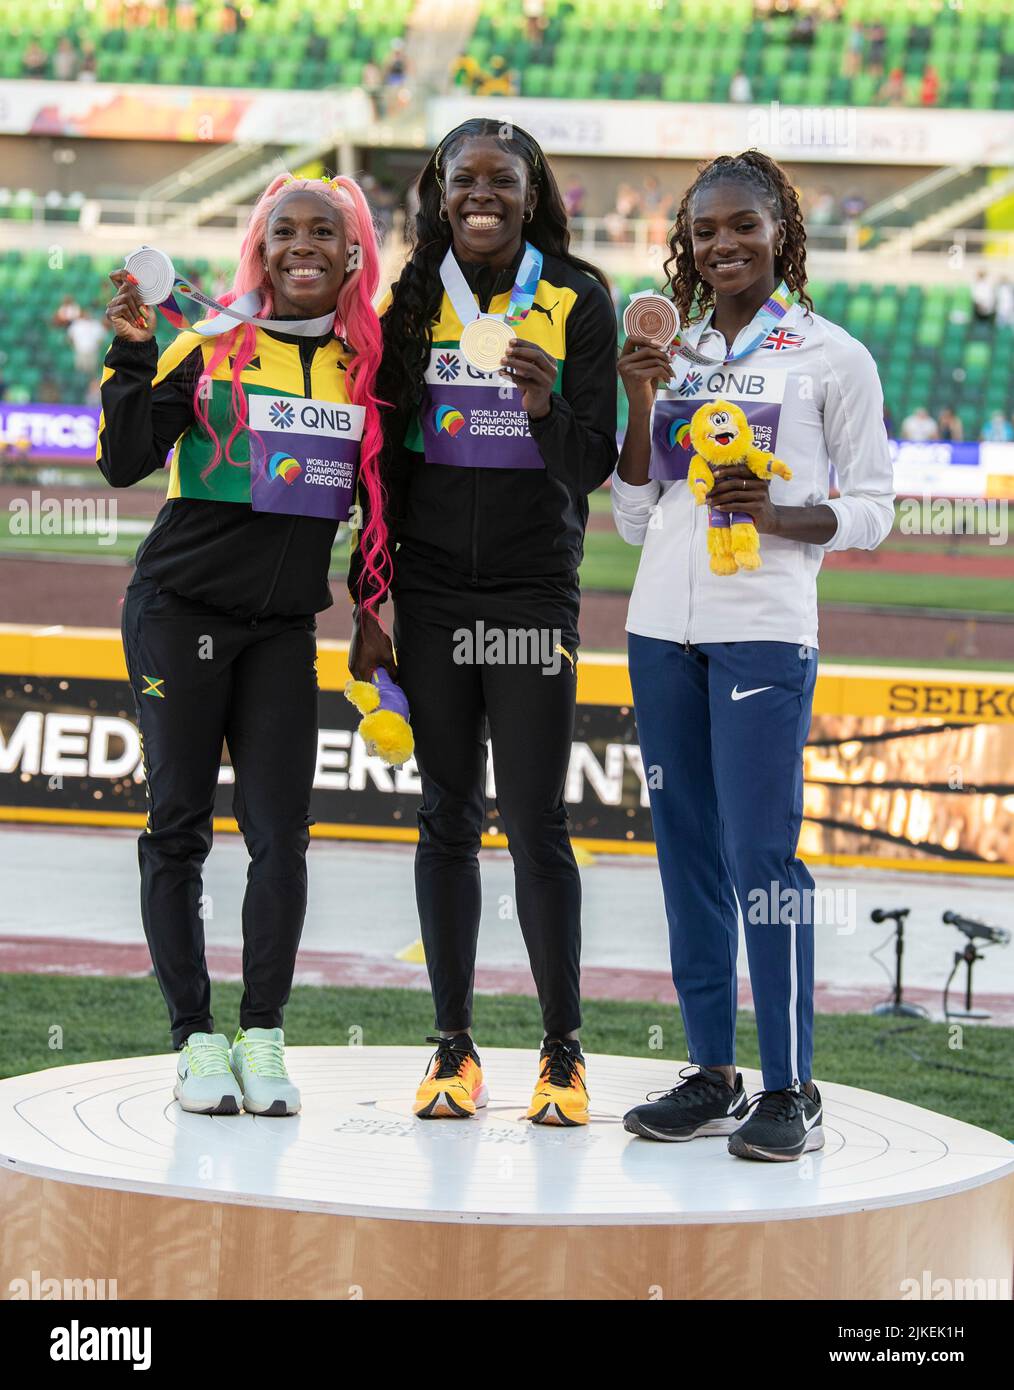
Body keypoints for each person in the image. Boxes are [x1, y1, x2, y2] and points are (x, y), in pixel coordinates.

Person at [612, 150, 894, 1161]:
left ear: (783, 233)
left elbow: (874, 507)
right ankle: (710, 1072)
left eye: (745, 226)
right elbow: (637, 519)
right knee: (685, 846)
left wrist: (782, 513)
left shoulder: (831, 356)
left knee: (761, 855)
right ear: (685, 243)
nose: (723, 244)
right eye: (706, 230)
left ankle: (792, 1087)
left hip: (766, 630)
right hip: (659, 632)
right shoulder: (670, 349)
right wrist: (638, 403)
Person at [96, 173, 389, 1117]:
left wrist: (383, 616)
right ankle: (195, 1041)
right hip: (179, 612)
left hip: (281, 631)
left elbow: (390, 508)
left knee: (282, 838)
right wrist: (134, 354)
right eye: (283, 233)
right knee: (178, 828)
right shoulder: (211, 344)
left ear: (353, 256)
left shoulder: (366, 368)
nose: (301, 246)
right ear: (260, 252)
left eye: (323, 234)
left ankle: (261, 1034)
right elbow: (124, 460)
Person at [349, 118, 618, 1127]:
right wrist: (372, 597)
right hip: (430, 594)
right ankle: (453, 1048)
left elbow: (590, 462)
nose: (483, 198)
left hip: (530, 595)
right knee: (446, 817)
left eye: (503, 182)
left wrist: (548, 409)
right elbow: (385, 470)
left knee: (538, 823)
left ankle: (562, 1053)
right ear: (440, 190)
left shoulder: (576, 298)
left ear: (531, 191)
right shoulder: (410, 300)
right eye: (466, 181)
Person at [68, 308, 110, 374]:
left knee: (92, 371)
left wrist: (98, 346)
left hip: (92, 351)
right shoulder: (77, 324)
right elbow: (70, 336)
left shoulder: (96, 324)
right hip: (80, 351)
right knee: (79, 370)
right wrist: (74, 346)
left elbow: (102, 336)